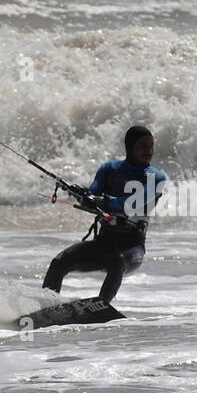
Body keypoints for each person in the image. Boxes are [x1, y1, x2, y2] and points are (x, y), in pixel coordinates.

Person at [42, 125, 166, 303]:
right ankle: (47, 305)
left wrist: (103, 201)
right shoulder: (109, 169)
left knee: (118, 260)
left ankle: (101, 306)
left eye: (151, 146)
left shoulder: (156, 178)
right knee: (60, 261)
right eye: (142, 147)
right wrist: (81, 194)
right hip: (103, 243)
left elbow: (131, 204)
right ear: (130, 148)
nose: (148, 151)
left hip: (131, 247)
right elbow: (91, 197)